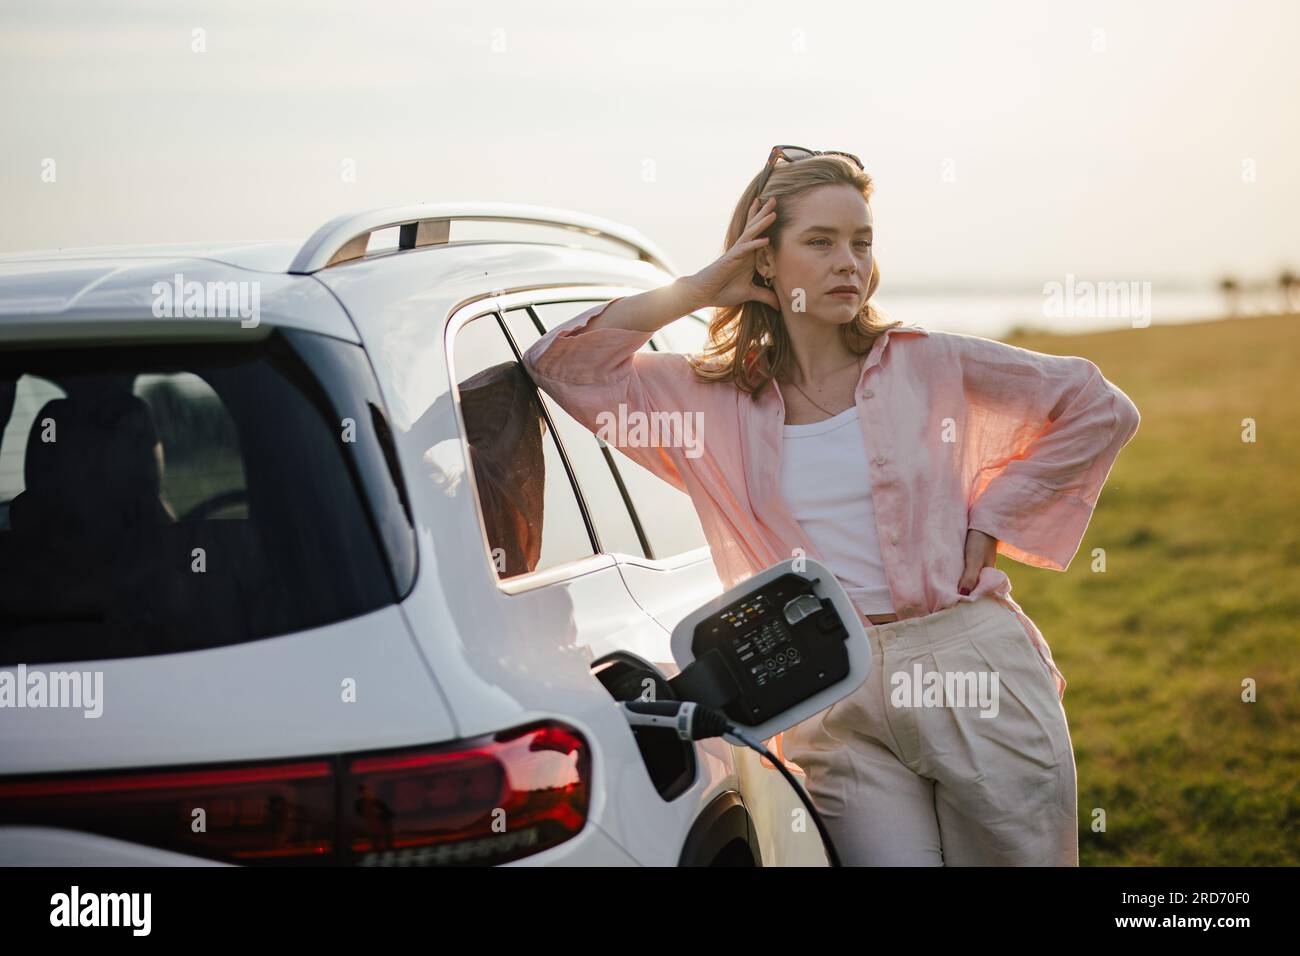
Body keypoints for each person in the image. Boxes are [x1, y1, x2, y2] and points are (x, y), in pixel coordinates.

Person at [521, 146, 1141, 865]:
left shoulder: (928, 361)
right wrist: (697, 289)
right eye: (820, 242)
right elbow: (560, 365)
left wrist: (993, 517)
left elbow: (1097, 406)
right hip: (823, 689)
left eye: (862, 241)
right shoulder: (704, 399)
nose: (849, 261)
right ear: (763, 260)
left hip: (969, 665)